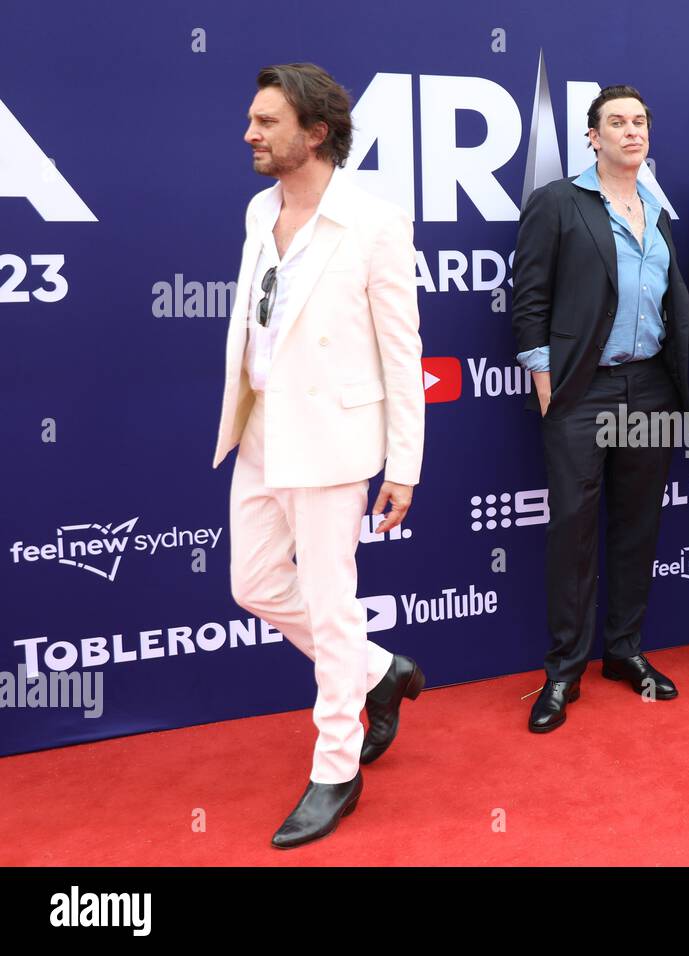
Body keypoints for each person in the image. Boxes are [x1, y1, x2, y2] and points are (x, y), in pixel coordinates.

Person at [213, 63, 426, 847]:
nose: (250, 134)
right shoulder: (255, 211)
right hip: (263, 430)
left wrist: (403, 464)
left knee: (333, 609)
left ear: (316, 133)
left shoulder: (372, 223)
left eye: (267, 122)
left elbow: (402, 355)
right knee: (253, 583)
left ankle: (336, 768)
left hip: (333, 442)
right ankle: (379, 672)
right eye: (253, 118)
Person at [512, 85, 689, 732]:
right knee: (574, 532)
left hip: (651, 388)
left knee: (638, 525)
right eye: (616, 122)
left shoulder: (658, 207)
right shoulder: (559, 202)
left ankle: (625, 652)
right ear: (592, 137)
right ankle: (563, 672)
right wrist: (542, 373)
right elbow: (527, 294)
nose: (630, 131)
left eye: (640, 120)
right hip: (582, 390)